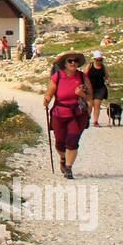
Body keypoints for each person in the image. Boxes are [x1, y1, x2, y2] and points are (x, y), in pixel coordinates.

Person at [43, 51, 92, 179]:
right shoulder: (57, 77)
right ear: (64, 64)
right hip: (59, 113)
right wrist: (47, 99)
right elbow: (50, 92)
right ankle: (63, 158)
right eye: (70, 61)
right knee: (59, 143)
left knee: (72, 141)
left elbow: (90, 96)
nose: (73, 63)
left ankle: (69, 168)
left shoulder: (82, 77)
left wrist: (81, 94)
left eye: (75, 61)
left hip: (77, 114)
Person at [87, 50, 109, 126]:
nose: (99, 61)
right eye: (97, 60)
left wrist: (108, 81)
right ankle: (87, 118)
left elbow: (107, 76)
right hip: (90, 88)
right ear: (94, 59)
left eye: (100, 60)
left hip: (100, 88)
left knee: (97, 104)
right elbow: (84, 74)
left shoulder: (103, 67)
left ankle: (95, 121)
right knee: (90, 104)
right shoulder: (90, 66)